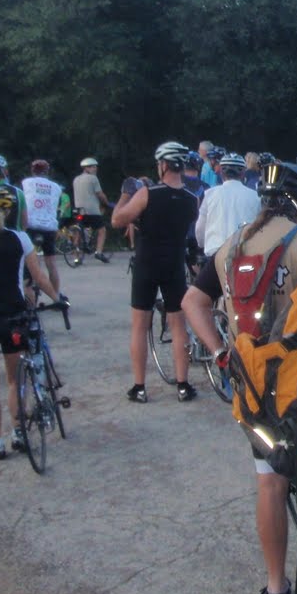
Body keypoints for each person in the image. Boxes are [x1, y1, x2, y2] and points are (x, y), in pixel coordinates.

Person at [180, 160, 297, 594]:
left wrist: (221, 352)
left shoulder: (232, 245)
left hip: (253, 385)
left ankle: (276, 588)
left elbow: (193, 300)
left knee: (269, 483)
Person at [0, 185, 63, 459]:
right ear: (9, 210)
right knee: (15, 381)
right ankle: (18, 432)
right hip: (13, 315)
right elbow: (39, 278)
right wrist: (59, 298)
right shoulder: (20, 238)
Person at [110, 142, 201, 402]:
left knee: (140, 325)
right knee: (178, 324)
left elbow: (118, 220)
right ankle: (183, 385)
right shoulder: (191, 200)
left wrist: (126, 194)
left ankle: (139, 387)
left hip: (146, 263)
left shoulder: (148, 193)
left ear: (162, 166)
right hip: (173, 264)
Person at [193, 152, 260, 259]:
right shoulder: (255, 197)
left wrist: (202, 244)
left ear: (221, 172)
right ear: (243, 173)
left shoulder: (210, 194)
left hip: (215, 255)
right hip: (244, 256)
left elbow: (200, 229)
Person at [18, 159, 64, 296]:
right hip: (49, 227)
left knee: (29, 261)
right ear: (47, 172)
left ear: (33, 171)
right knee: (51, 263)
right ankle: (56, 296)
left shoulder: (26, 183)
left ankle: (29, 295)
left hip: (31, 226)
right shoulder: (56, 187)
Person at [71, 157, 112, 263]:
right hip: (92, 210)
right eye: (93, 167)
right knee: (102, 230)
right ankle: (98, 252)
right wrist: (106, 202)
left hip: (79, 210)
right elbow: (100, 194)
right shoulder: (93, 179)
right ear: (86, 168)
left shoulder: (76, 179)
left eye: (95, 167)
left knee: (78, 232)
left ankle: (76, 258)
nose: (95, 169)